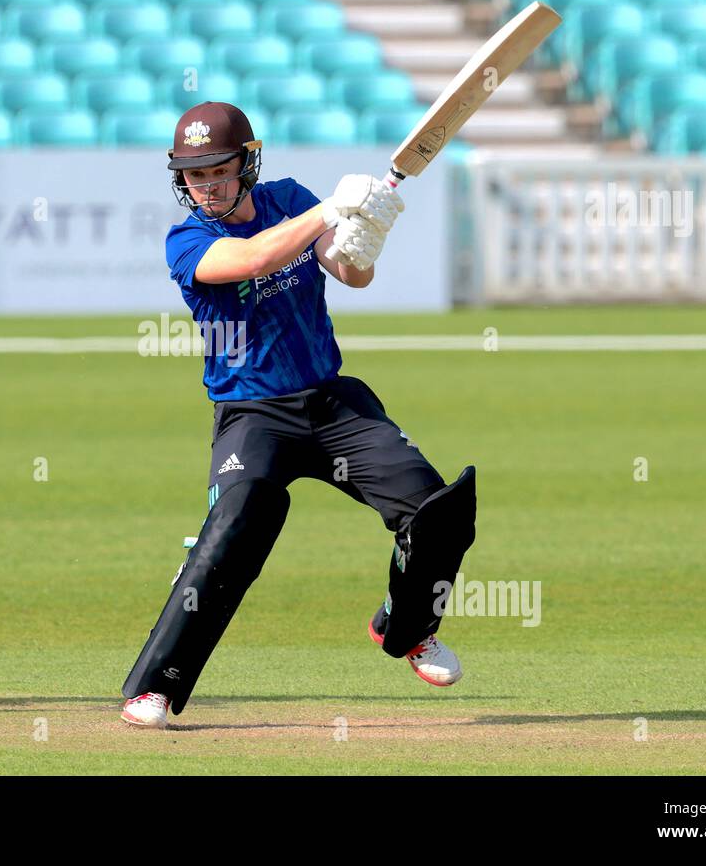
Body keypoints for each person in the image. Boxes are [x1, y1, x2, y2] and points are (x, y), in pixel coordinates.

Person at [121, 102, 476, 728]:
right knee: (234, 528)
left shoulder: (289, 197)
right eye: (194, 175)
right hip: (252, 414)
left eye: (218, 171)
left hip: (332, 401)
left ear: (248, 164)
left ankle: (407, 627)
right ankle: (155, 688)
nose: (206, 186)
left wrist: (365, 237)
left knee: (436, 512)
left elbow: (350, 274)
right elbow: (253, 259)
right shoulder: (187, 239)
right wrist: (330, 211)